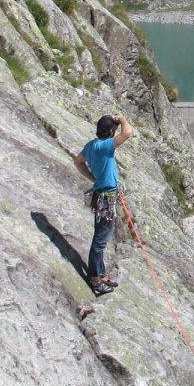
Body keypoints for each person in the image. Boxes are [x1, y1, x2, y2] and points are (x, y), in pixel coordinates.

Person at [74, 113, 133, 295]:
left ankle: (100, 273)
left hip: (102, 194)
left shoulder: (92, 146)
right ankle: (95, 279)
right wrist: (123, 120)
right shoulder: (105, 146)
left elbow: (78, 161)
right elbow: (128, 133)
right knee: (100, 241)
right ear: (110, 131)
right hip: (106, 198)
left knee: (102, 236)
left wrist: (93, 177)